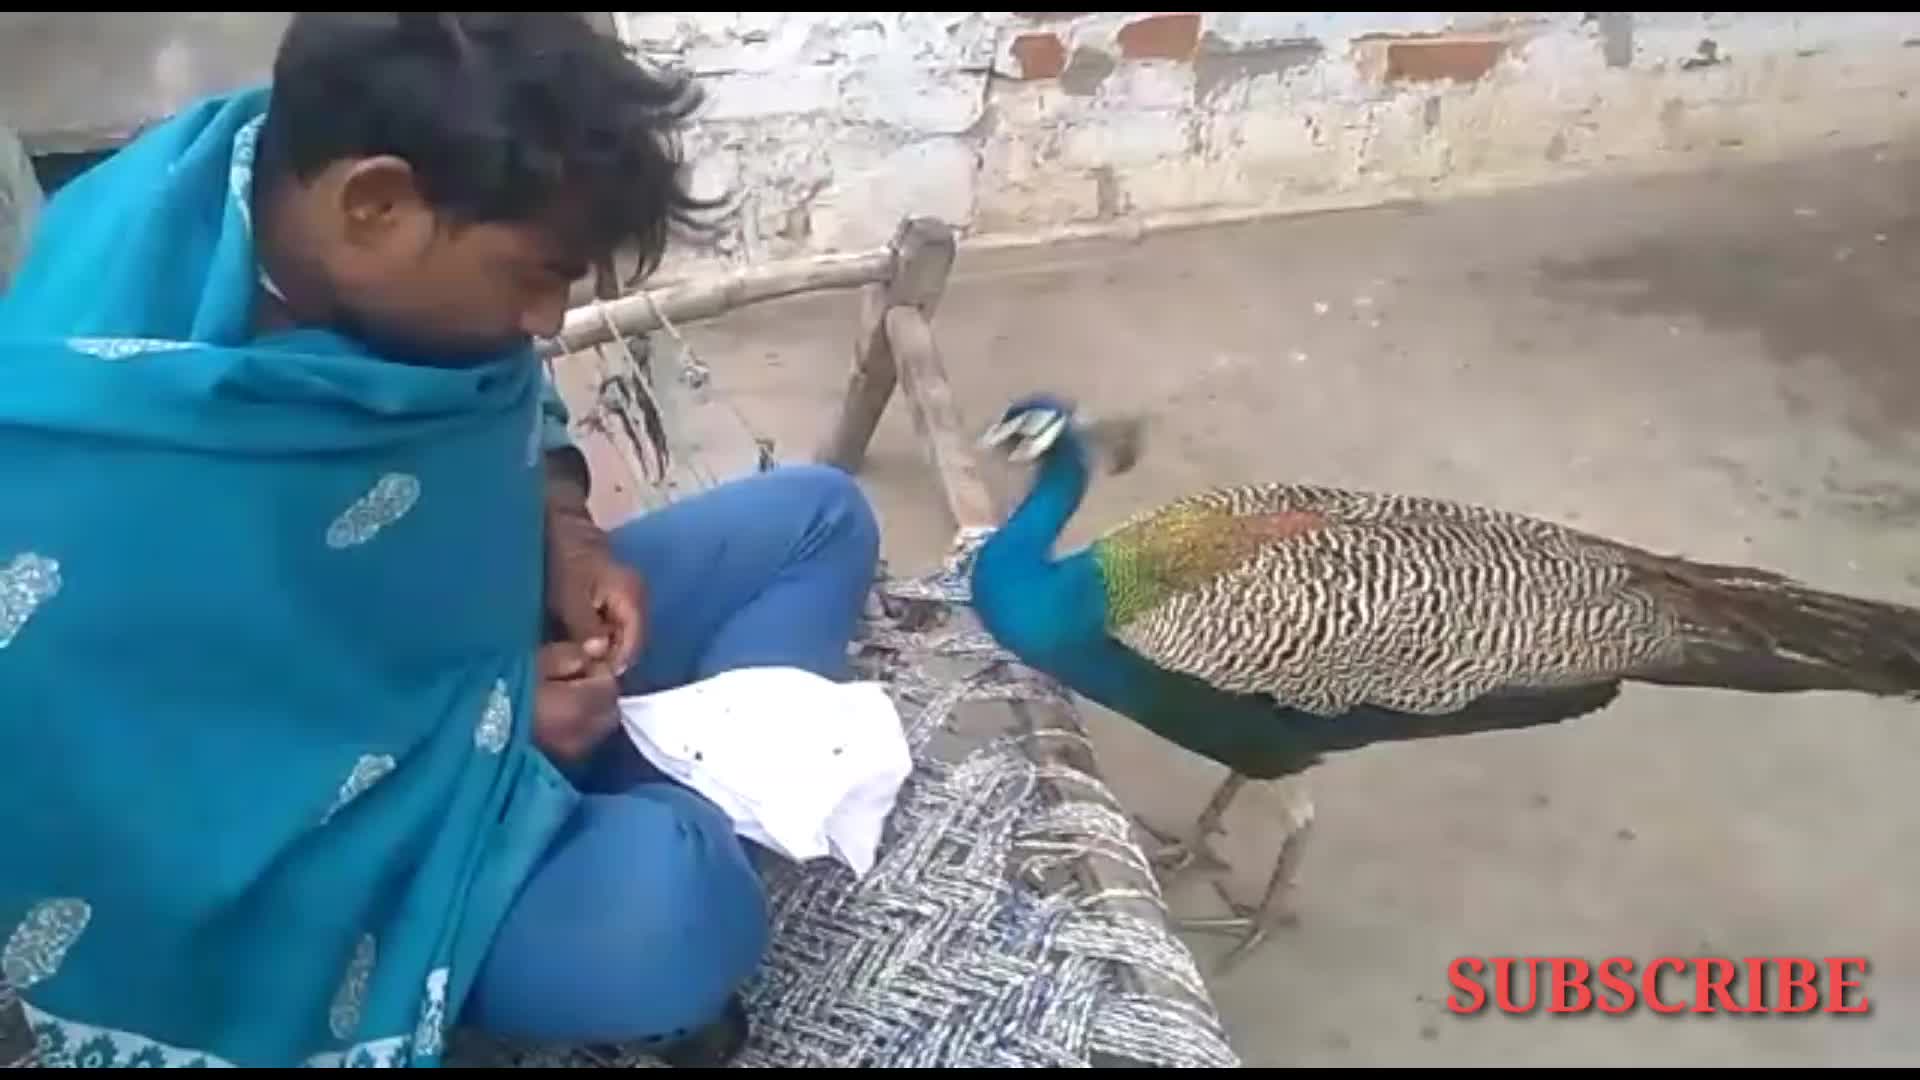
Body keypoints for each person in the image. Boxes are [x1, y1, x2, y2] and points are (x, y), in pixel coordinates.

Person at [0, 11, 878, 1068]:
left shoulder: (352, 220)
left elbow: (512, 416)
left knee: (819, 516)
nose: (549, 323)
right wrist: (493, 737)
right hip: (340, 841)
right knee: (674, 912)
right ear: (376, 205)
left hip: (486, 661)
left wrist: (567, 532)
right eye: (533, 276)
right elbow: (152, 783)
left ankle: (673, 785)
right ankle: (666, 814)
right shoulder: (102, 443)